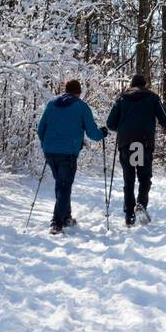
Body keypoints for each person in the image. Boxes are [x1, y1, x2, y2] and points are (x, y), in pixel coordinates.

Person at [36, 79, 105, 233]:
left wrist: (46, 145)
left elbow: (41, 129)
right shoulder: (81, 107)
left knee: (61, 185)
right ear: (78, 92)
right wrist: (103, 133)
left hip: (50, 152)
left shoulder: (51, 104)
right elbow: (93, 133)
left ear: (65, 90)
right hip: (67, 152)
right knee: (64, 186)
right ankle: (57, 223)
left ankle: (66, 217)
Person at [105, 73, 166, 226]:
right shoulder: (153, 98)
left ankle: (129, 214)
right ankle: (141, 204)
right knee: (144, 178)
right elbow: (164, 119)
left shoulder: (121, 99)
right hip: (144, 142)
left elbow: (110, 124)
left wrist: (121, 128)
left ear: (131, 84)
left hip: (126, 143)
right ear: (145, 84)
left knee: (128, 180)